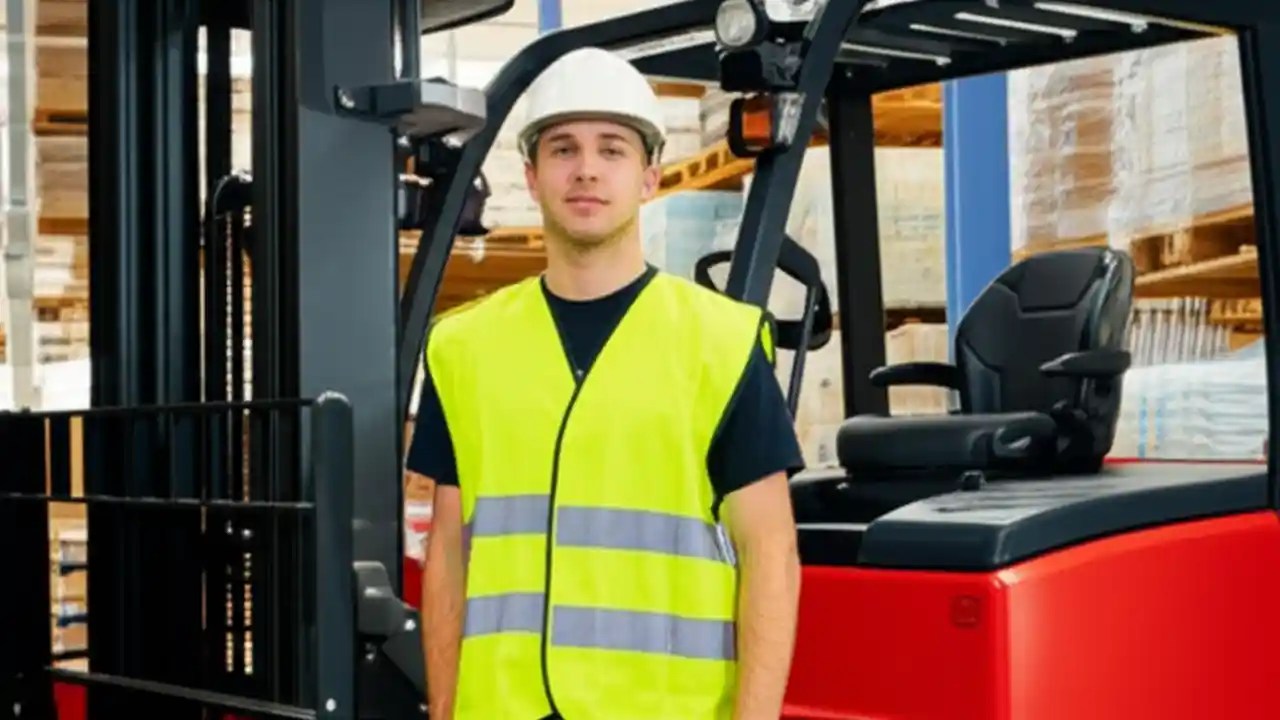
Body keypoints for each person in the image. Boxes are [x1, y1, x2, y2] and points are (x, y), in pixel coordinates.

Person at [407, 45, 805, 720]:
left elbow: (771, 554)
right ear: (531, 177)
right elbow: (448, 553)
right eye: (563, 149)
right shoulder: (463, 349)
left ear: (649, 177)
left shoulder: (721, 344)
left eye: (612, 150)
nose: (586, 169)